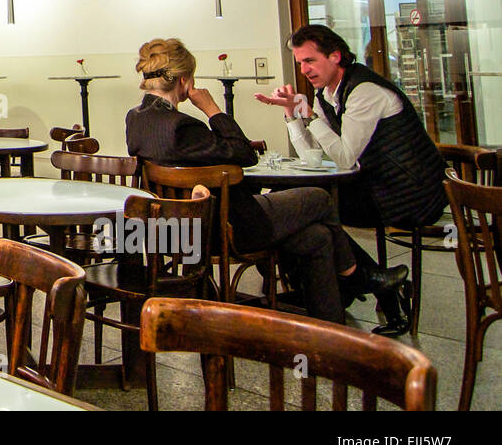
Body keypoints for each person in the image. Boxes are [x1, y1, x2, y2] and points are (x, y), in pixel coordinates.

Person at [125, 38, 406, 328]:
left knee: (318, 236)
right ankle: (356, 277)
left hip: (176, 229)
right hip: (226, 228)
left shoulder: (136, 119)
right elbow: (245, 154)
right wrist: (212, 109)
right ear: (185, 81)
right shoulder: (183, 127)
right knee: (320, 198)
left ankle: (330, 326)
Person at [256, 24, 446, 333]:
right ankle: (364, 282)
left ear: (335, 56)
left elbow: (343, 157)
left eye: (310, 61)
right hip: (374, 186)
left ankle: (358, 282)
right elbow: (315, 156)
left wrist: (309, 115)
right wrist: (292, 114)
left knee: (305, 208)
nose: (304, 70)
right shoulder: (326, 94)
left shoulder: (365, 91)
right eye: (300, 62)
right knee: (299, 207)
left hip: (409, 194)